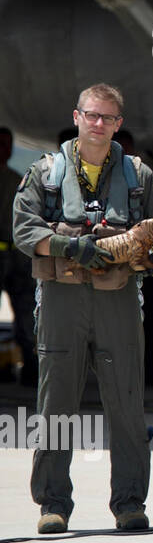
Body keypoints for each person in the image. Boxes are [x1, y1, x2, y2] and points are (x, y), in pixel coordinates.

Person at [12, 85, 153, 533]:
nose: (98, 123)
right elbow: (24, 230)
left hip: (118, 298)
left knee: (126, 405)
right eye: (91, 115)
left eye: (108, 117)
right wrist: (71, 246)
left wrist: (147, 254)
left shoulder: (138, 176)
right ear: (77, 117)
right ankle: (53, 504)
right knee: (56, 404)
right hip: (62, 300)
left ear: (119, 123)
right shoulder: (44, 174)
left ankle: (129, 504)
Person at [0, 127, 38, 385]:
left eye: (7, 144)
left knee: (27, 314)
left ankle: (31, 366)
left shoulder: (18, 180)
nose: (5, 149)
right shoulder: (16, 180)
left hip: (18, 255)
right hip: (9, 254)